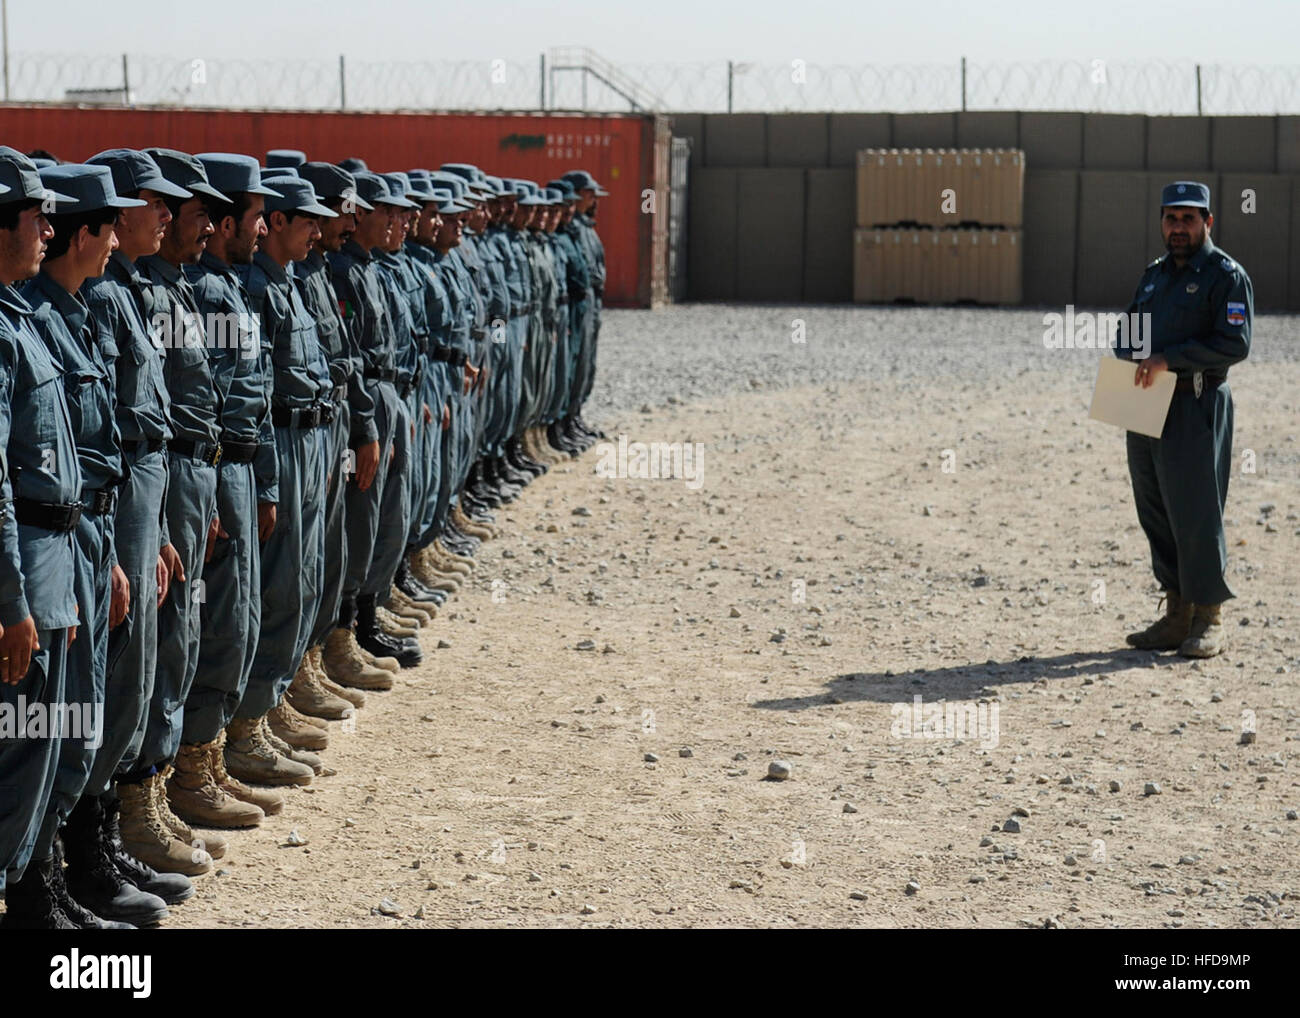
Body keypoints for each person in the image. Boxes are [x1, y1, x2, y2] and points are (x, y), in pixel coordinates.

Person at [22, 162, 171, 928]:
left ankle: (76, 861)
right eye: (107, 225)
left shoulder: (74, 313)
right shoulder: (33, 322)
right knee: (45, 726)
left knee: (83, 715)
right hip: (50, 541)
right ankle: (48, 881)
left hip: (88, 529)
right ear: (84, 236)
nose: (117, 237)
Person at [81, 148, 194, 908]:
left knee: (141, 669)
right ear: (115, 212)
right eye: (153, 202)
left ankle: (109, 843)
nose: (166, 215)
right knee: (113, 673)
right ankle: (83, 856)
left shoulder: (127, 291)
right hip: (116, 493)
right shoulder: (97, 297)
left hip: (147, 487)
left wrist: (154, 531)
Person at [126, 148, 228, 876]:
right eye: (161, 207)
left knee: (186, 633)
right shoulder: (123, 296)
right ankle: (135, 806)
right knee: (151, 648)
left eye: (177, 209)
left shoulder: (178, 289)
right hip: (148, 481)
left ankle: (171, 780)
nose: (170, 220)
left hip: (184, 473)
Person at [0, 147, 84, 928]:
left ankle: (31, 893)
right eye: (36, 217)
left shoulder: (18, 318)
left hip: (50, 560)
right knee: (17, 748)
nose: (48, 230)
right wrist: (11, 601)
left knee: (43, 746)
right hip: (21, 568)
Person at [1120, 181, 1252, 659]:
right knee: (1154, 507)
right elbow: (1130, 329)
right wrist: (1124, 356)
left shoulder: (1225, 276)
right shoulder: (1154, 275)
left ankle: (1209, 616)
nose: (1178, 227)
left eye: (1189, 218)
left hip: (1195, 402)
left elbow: (1234, 344)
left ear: (1208, 222)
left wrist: (1169, 359)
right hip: (1145, 403)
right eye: (1171, 218)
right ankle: (1177, 614)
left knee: (1196, 511)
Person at [236, 173, 338, 760]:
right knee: (277, 588)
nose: (317, 232)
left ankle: (274, 704)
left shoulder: (292, 283)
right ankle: (248, 726)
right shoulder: (256, 289)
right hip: (281, 439)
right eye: (306, 221)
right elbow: (257, 393)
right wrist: (271, 480)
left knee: (304, 577)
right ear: (275, 222)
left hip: (311, 437)